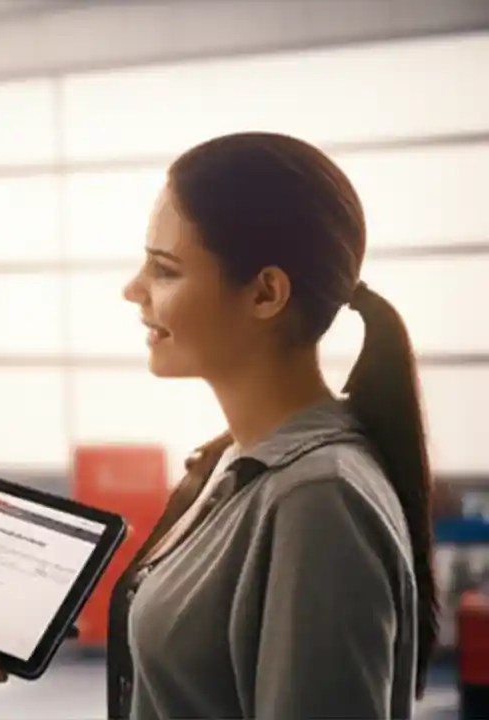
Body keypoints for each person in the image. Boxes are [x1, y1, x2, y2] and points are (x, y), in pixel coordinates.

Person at [107, 131, 436, 719]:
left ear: (265, 293)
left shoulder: (319, 499)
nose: (132, 289)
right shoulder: (238, 461)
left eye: (164, 269)